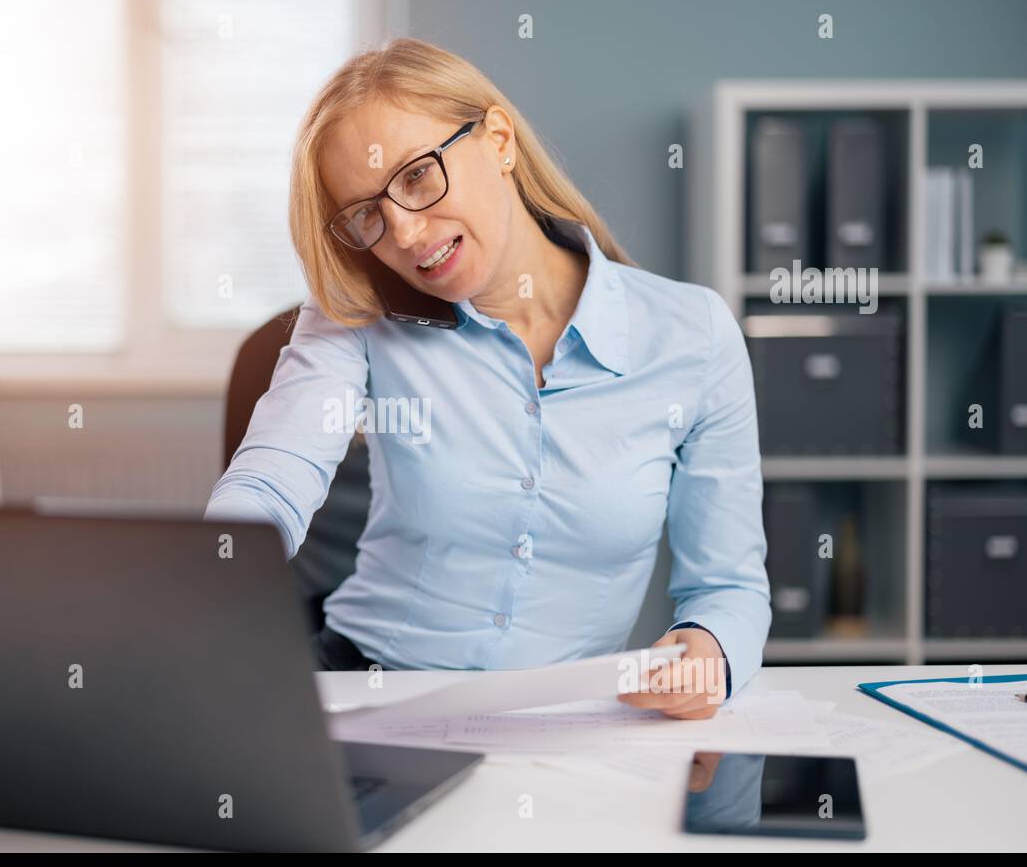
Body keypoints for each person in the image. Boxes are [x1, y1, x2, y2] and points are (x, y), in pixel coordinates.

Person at [206, 38, 769, 720]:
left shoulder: (693, 335)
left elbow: (730, 587)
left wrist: (709, 649)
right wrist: (207, 576)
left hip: (563, 720)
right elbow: (274, 475)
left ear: (498, 139)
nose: (406, 235)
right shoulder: (358, 314)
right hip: (368, 690)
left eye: (417, 177)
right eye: (368, 215)